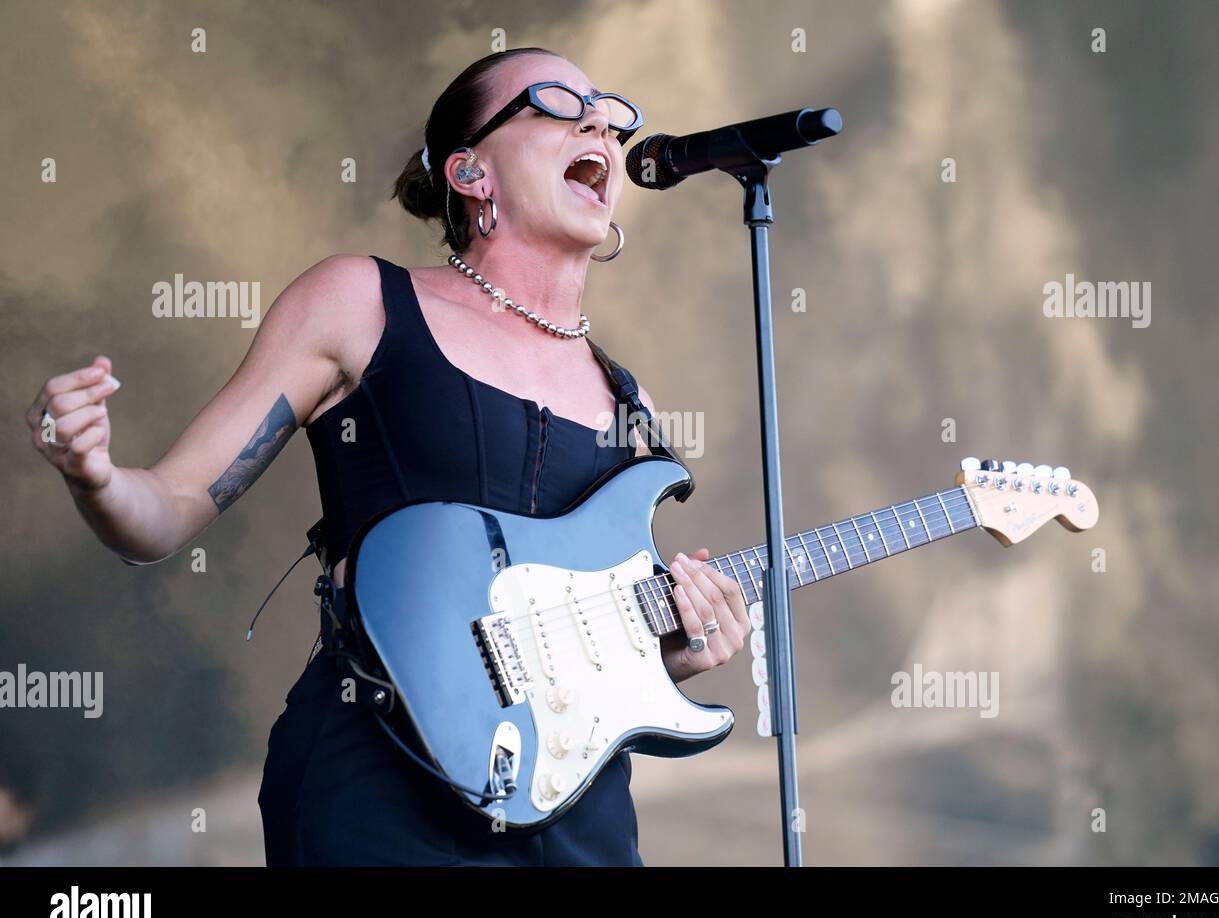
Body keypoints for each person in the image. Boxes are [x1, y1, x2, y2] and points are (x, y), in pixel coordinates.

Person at [24, 47, 751, 865]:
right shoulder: (360, 303)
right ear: (470, 172)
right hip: (379, 777)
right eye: (555, 102)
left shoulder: (633, 408)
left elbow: (596, 652)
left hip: (575, 814)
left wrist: (675, 653)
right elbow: (159, 517)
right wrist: (96, 476)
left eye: (609, 111)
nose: (599, 123)